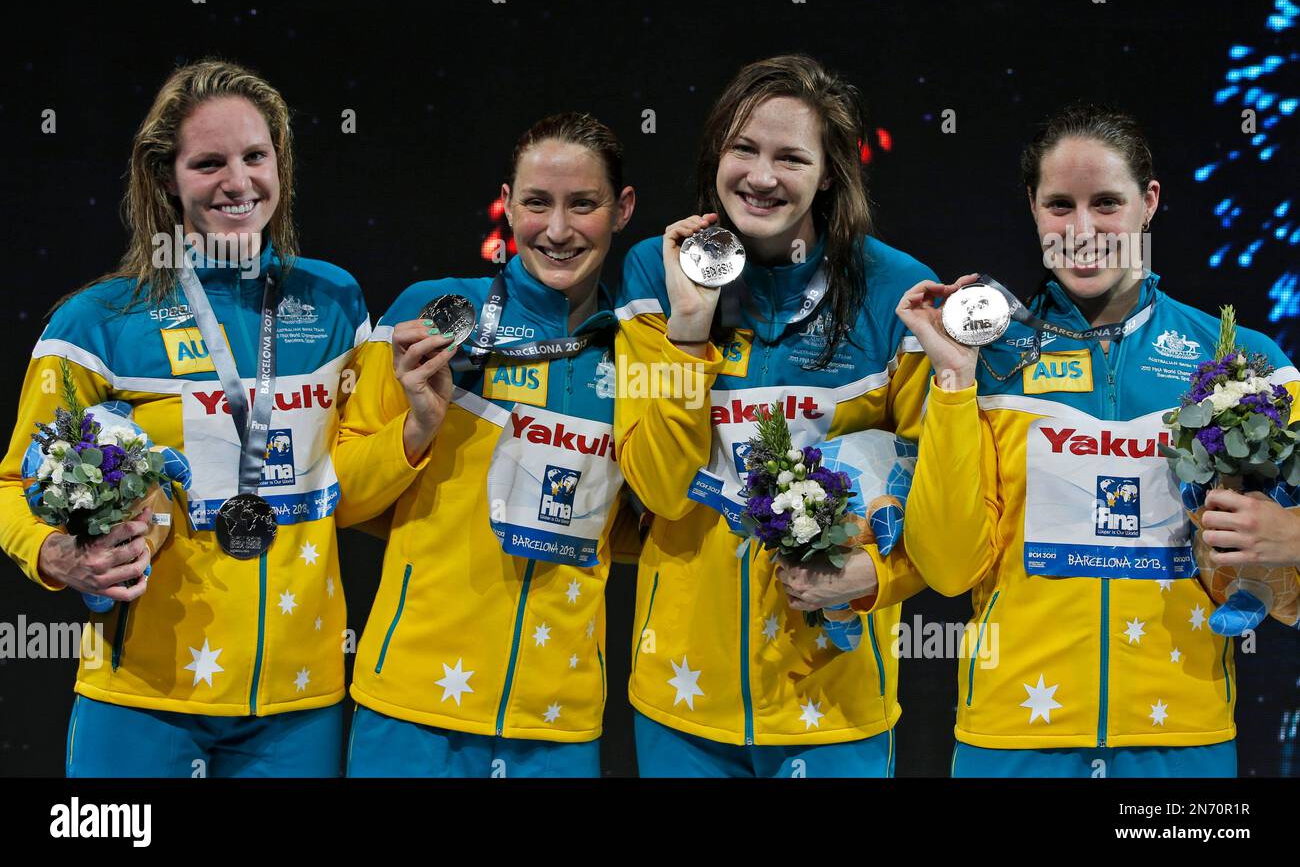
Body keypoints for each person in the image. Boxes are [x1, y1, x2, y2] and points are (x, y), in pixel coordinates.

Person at [0, 59, 384, 777]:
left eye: (255, 156)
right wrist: (55, 557)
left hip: (298, 705)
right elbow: (12, 486)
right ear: (165, 178)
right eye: (208, 163)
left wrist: (416, 432)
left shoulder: (334, 303)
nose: (237, 183)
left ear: (281, 163)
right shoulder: (97, 323)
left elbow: (351, 487)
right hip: (141, 699)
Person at [898, 102, 1300, 777]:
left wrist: (1293, 536)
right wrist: (952, 380)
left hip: (1182, 743)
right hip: (1012, 739)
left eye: (1107, 203)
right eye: (1060, 205)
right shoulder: (986, 360)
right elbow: (944, 565)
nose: (1082, 230)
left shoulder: (1241, 359)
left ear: (1149, 203)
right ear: (1032, 207)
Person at [613, 55, 936, 777]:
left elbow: (944, 503)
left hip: (837, 703)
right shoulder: (652, 272)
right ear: (715, 156)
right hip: (682, 699)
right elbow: (661, 489)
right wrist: (688, 331)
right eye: (743, 149)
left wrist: (876, 580)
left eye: (791, 156)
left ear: (829, 173)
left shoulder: (896, 292)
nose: (761, 177)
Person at [338, 112, 635, 778]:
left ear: (622, 209)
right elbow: (341, 496)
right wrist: (416, 431)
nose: (557, 230)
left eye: (582, 204)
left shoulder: (639, 348)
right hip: (411, 703)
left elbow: (644, 521)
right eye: (536, 202)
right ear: (508, 204)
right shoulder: (431, 314)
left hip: (556, 717)